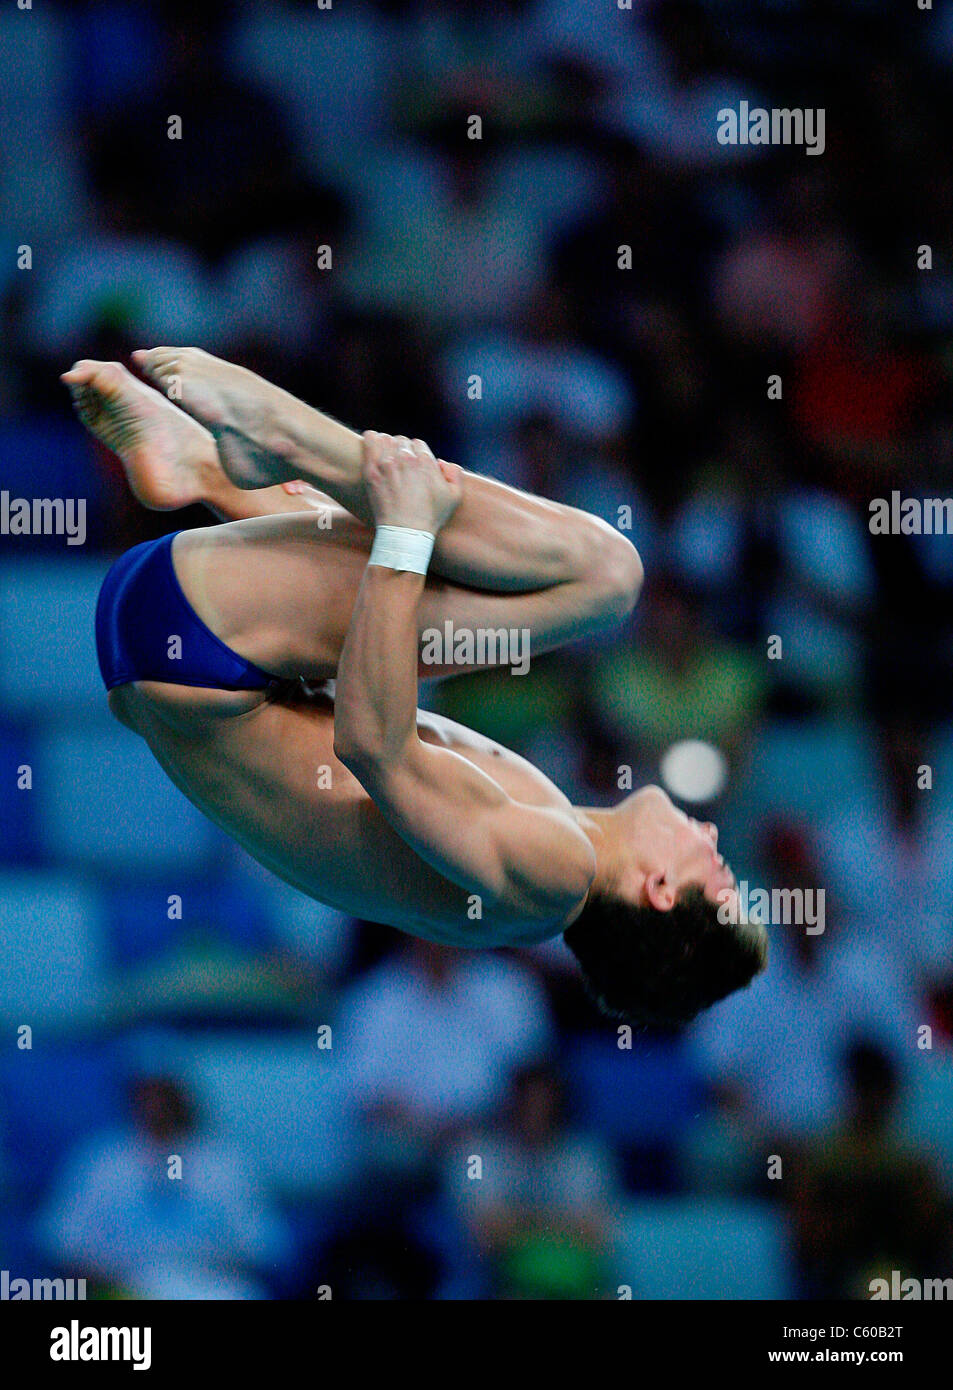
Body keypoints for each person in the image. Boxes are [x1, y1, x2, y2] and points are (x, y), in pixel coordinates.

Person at [64, 348, 766, 1027]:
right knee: (454, 579)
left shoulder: (556, 872)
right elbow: (356, 669)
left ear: (662, 892)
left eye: (719, 874)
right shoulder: (541, 868)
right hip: (177, 655)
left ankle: (268, 437)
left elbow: (371, 742)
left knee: (605, 578)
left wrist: (405, 528)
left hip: (198, 648)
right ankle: (214, 470)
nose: (711, 834)